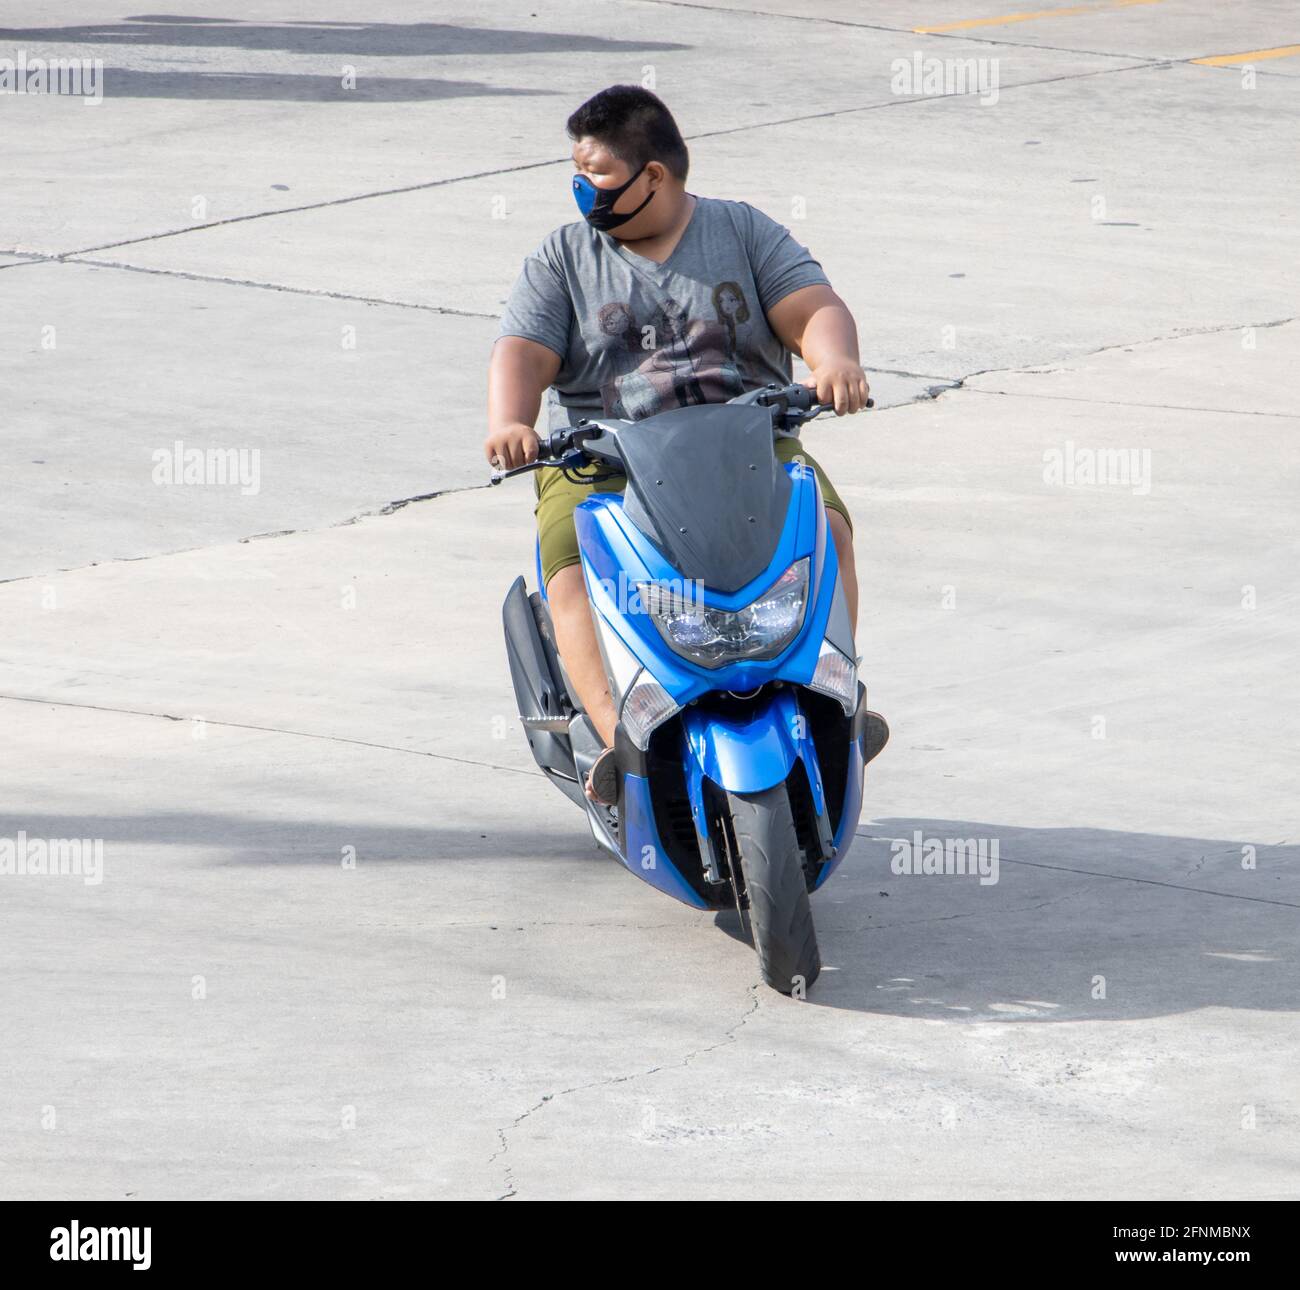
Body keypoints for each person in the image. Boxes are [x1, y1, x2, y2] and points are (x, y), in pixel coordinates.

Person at [485, 85, 872, 804]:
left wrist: (834, 361)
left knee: (830, 528)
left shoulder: (741, 231)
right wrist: (512, 422)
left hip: (749, 436)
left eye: (595, 171)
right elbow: (521, 351)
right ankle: (615, 743)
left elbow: (813, 307)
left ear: (652, 176)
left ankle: (834, 692)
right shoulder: (564, 258)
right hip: (602, 459)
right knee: (570, 568)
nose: (581, 187)